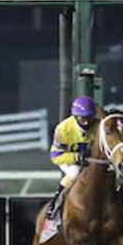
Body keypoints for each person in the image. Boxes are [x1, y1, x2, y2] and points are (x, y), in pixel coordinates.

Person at [43, 95, 99, 228]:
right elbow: (56, 156)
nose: (86, 123)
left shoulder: (99, 126)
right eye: (82, 118)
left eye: (89, 118)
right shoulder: (63, 129)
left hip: (93, 160)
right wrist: (76, 158)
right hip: (69, 158)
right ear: (75, 116)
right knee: (75, 173)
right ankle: (55, 203)